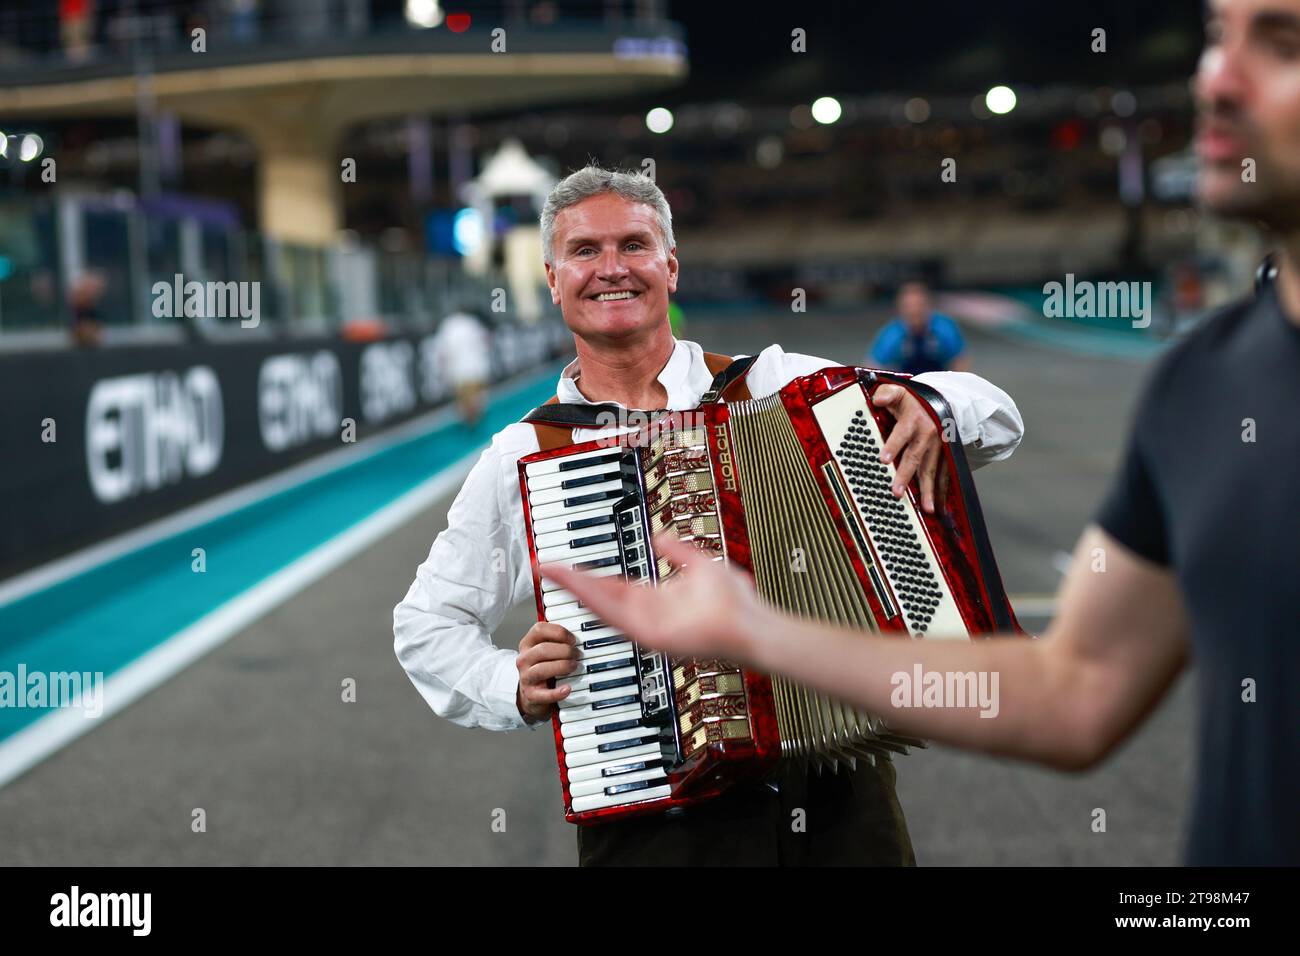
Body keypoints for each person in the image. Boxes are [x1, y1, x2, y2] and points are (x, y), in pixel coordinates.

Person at [543, 0, 1300, 867]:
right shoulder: (1200, 387)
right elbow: (1073, 694)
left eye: (1281, 43)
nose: (1217, 79)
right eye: (1215, 37)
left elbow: (983, 401)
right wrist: (756, 637)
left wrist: (947, 403)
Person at [393, 165, 1025, 866]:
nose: (612, 269)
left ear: (671, 266)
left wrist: (933, 408)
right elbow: (427, 623)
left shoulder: (773, 386)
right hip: (655, 812)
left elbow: (996, 416)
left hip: (838, 795)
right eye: (584, 251)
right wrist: (509, 683)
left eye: (634, 245)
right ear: (552, 278)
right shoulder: (527, 452)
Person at [869, 280, 970, 375]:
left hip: (939, 381)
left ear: (928, 306)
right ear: (900, 309)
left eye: (919, 305)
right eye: (909, 307)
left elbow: (960, 360)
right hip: (906, 384)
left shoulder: (945, 328)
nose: (914, 311)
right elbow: (874, 365)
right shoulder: (891, 334)